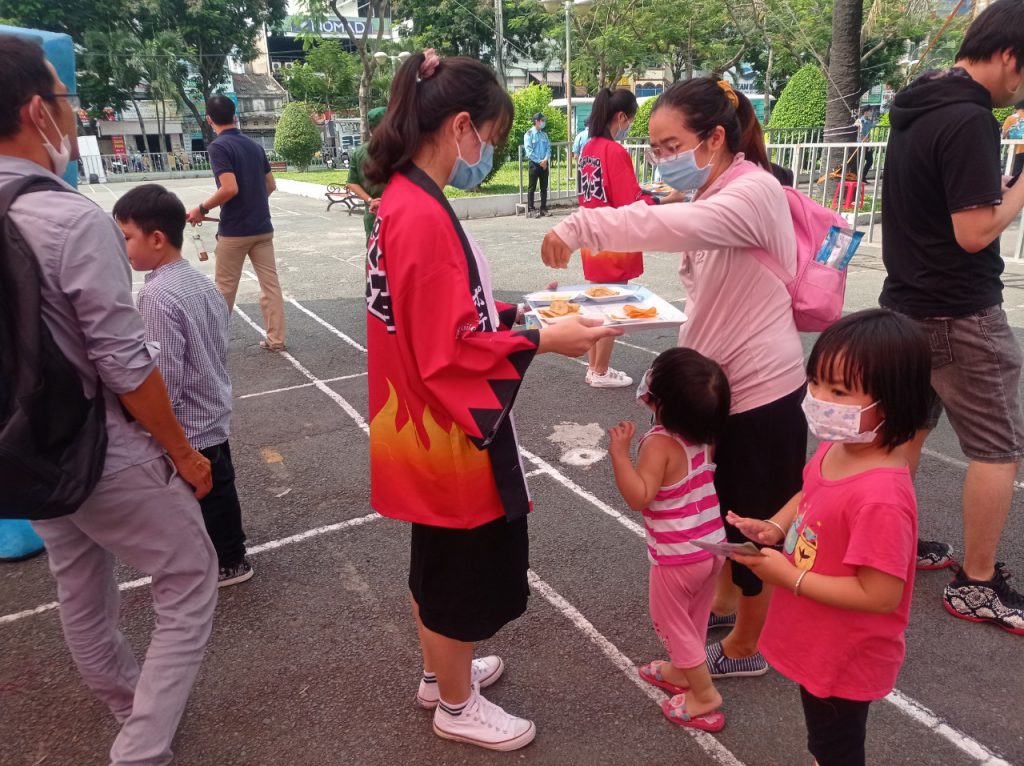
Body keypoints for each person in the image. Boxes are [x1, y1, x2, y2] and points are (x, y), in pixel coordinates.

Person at [362, 49, 620, 751]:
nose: (492, 151)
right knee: (458, 575)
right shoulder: (418, 211)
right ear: (462, 126)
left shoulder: (407, 198)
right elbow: (447, 350)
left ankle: (439, 674)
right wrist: (542, 339)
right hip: (444, 430)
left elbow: (449, 314)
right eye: (494, 136)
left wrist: (519, 316)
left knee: (435, 562)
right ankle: (455, 702)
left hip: (417, 422)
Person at [542, 77, 808, 678]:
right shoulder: (716, 190)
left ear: (714, 139)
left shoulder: (752, 193)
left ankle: (746, 647)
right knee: (718, 503)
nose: (661, 159)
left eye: (669, 146)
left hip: (760, 390)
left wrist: (579, 227)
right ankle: (725, 602)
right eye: (655, 148)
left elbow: (663, 228)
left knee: (753, 521)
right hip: (718, 389)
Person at [0, 35, 217, 765]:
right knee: (190, 575)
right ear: (37, 110)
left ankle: (131, 706)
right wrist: (183, 452)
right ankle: (141, 747)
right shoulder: (67, 219)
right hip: (101, 447)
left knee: (81, 588)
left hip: (23, 443)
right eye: (65, 98)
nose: (73, 110)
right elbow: (124, 365)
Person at [730, 309, 932, 766]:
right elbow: (810, 489)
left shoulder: (881, 496)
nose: (819, 399)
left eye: (839, 391)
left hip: (845, 653)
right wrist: (776, 528)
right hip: (817, 635)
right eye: (816, 381)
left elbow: (880, 594)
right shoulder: (841, 443)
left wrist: (790, 576)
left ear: (893, 401)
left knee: (835, 747)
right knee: (823, 739)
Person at [880, 0, 1024, 633]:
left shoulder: (918, 103)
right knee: (998, 450)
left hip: (906, 302)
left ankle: (891, 549)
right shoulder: (969, 119)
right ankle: (978, 583)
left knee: (904, 435)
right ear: (1010, 56)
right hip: (959, 308)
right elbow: (973, 232)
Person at [114, 184, 254, 588]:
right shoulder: (200, 282)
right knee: (218, 486)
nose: (123, 248)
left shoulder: (156, 295)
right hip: (212, 405)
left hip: (188, 421)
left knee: (204, 492)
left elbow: (164, 376)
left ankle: (228, 563)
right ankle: (229, 556)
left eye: (126, 237)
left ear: (156, 239)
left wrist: (148, 421)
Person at [608, 348, 731, 732]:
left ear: (660, 404)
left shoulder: (658, 443)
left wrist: (619, 455)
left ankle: (704, 694)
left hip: (677, 557)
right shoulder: (704, 435)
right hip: (712, 547)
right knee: (694, 616)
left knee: (671, 622)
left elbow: (639, 496)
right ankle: (681, 671)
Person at [576, 88, 663, 389]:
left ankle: (593, 368)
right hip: (614, 238)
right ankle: (600, 371)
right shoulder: (615, 151)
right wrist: (663, 198)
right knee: (612, 308)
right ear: (622, 117)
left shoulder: (588, 147)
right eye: (630, 120)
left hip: (591, 236)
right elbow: (631, 201)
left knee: (596, 305)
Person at [186, 95, 286, 351]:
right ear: (235, 116)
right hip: (262, 228)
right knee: (270, 286)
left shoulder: (219, 147)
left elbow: (229, 188)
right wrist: (253, 204)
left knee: (225, 289)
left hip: (235, 231)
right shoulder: (254, 146)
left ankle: (213, 345)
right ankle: (276, 340)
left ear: (209, 120)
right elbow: (270, 185)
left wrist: (201, 208)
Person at [346, 106, 388, 242]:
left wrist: (370, 200)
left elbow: (352, 183)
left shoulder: (359, 152)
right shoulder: (400, 150)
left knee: (374, 255)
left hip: (374, 212)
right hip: (396, 212)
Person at [524, 111, 550, 218]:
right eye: (542, 120)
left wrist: (545, 160)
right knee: (532, 187)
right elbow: (529, 151)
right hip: (534, 164)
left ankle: (543, 208)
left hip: (544, 164)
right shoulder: (529, 134)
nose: (543, 122)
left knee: (544, 187)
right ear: (536, 121)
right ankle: (531, 209)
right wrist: (540, 162)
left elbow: (549, 148)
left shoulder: (544, 135)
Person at [1001, 101, 1024, 179]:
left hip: (1015, 150)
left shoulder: (1011, 118)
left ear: (1015, 107)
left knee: (1012, 176)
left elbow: (1004, 134)